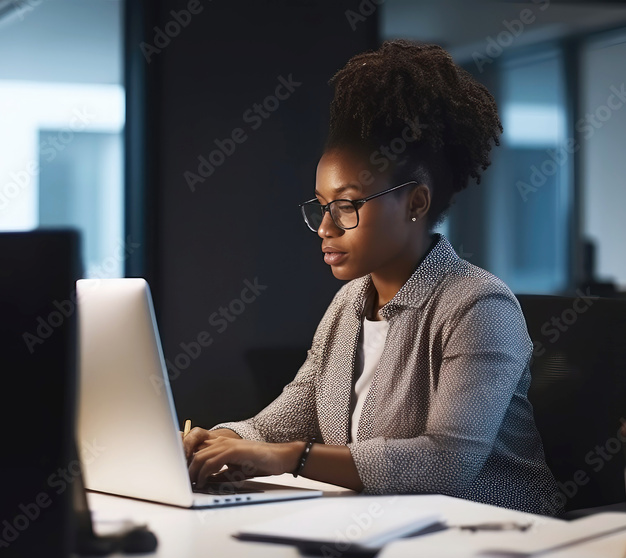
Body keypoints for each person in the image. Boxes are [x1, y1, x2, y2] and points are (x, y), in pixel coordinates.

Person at [183, 39, 561, 517]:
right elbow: (282, 420)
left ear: (416, 204)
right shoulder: (348, 305)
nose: (325, 228)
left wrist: (290, 459)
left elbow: (447, 464)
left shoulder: (479, 306)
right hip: (387, 528)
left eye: (345, 206)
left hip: (497, 535)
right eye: (322, 208)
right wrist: (222, 440)